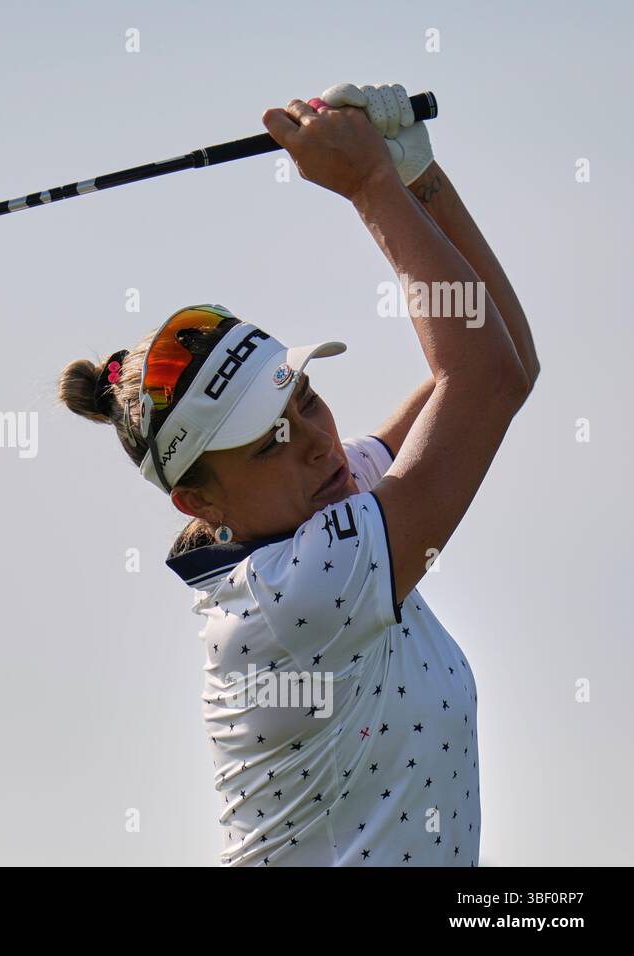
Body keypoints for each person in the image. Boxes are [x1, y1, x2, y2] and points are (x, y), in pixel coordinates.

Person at [57, 83, 540, 865]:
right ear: (196, 499)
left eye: (307, 400)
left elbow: (506, 356)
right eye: (266, 443)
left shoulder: (324, 498)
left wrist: (419, 181)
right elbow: (485, 379)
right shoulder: (299, 589)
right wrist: (371, 187)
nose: (317, 442)